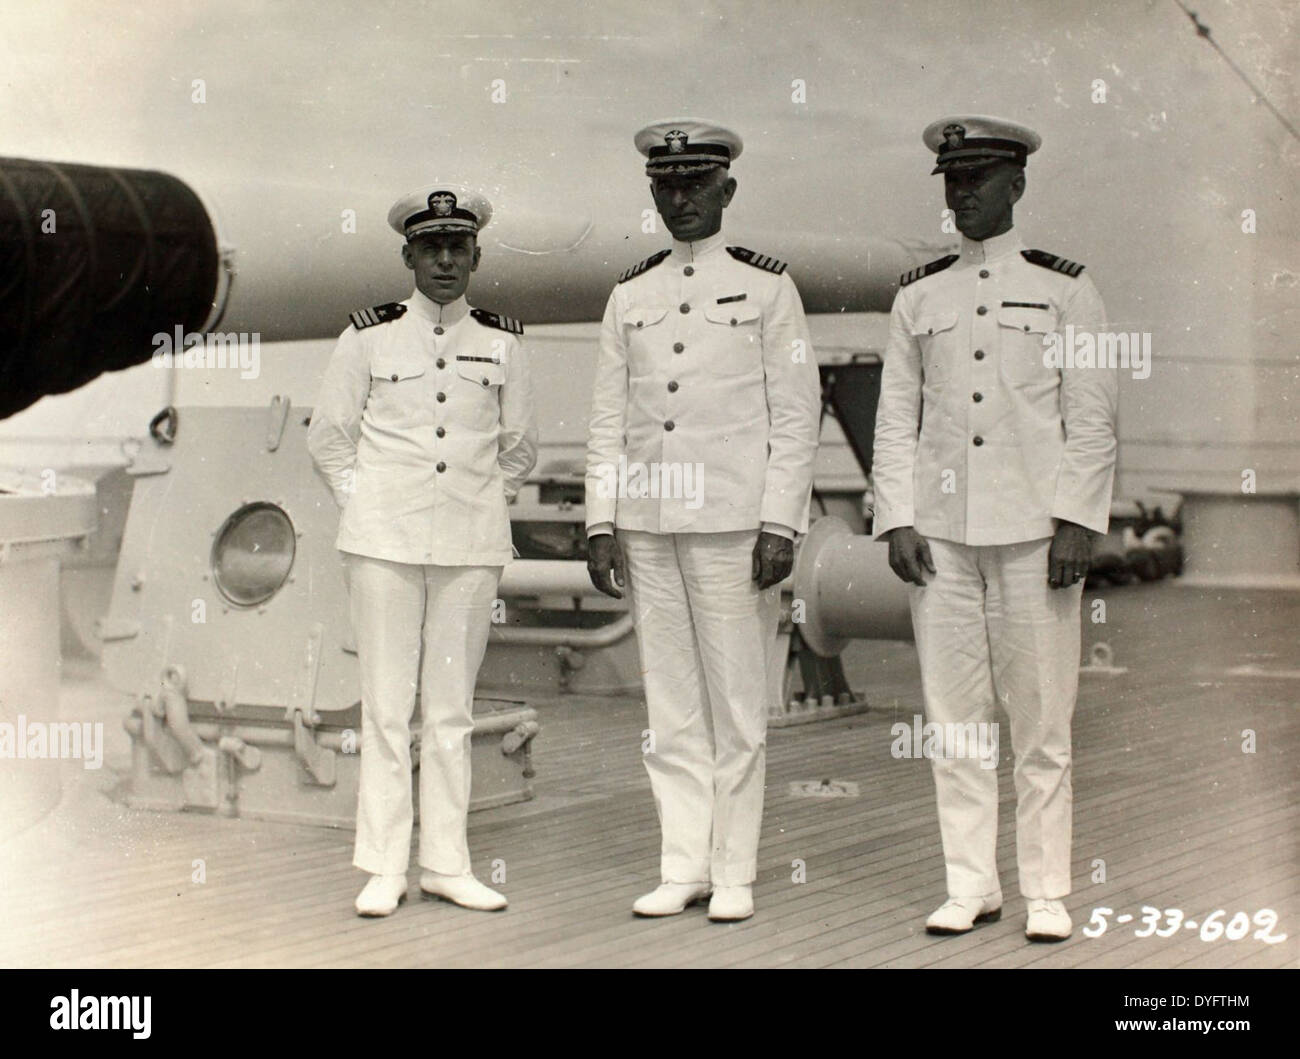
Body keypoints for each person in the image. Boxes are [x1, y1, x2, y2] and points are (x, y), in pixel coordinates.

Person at [872, 116, 1118, 942]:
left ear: (1017, 183)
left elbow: (1091, 420)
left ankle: (1046, 889)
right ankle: (970, 884)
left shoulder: (1066, 290)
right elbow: (896, 416)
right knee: (954, 720)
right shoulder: (919, 296)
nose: (964, 193)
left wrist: (1078, 520)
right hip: (940, 537)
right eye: (953, 179)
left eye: (979, 177)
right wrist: (897, 516)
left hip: (1034, 536)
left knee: (1042, 723)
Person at [585, 119, 821, 922]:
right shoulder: (630, 293)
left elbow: (796, 415)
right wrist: (599, 520)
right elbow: (608, 418)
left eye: (695, 184)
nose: (680, 198)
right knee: (671, 704)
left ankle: (736, 871)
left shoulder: (767, 288)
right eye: (666, 185)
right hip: (648, 522)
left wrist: (782, 522)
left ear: (727, 188)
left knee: (736, 704)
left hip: (731, 521)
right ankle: (681, 862)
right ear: (653, 191)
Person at [308, 185, 537, 917]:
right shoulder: (368, 336)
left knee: (450, 710)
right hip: (383, 544)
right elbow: (329, 437)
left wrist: (473, 501)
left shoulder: (503, 340)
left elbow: (520, 448)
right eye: (430, 246)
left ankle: (445, 862)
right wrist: (368, 503)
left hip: (469, 546)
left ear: (475, 255)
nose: (445, 258)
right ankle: (382, 865)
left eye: (457, 246)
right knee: (383, 707)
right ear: (408, 254)